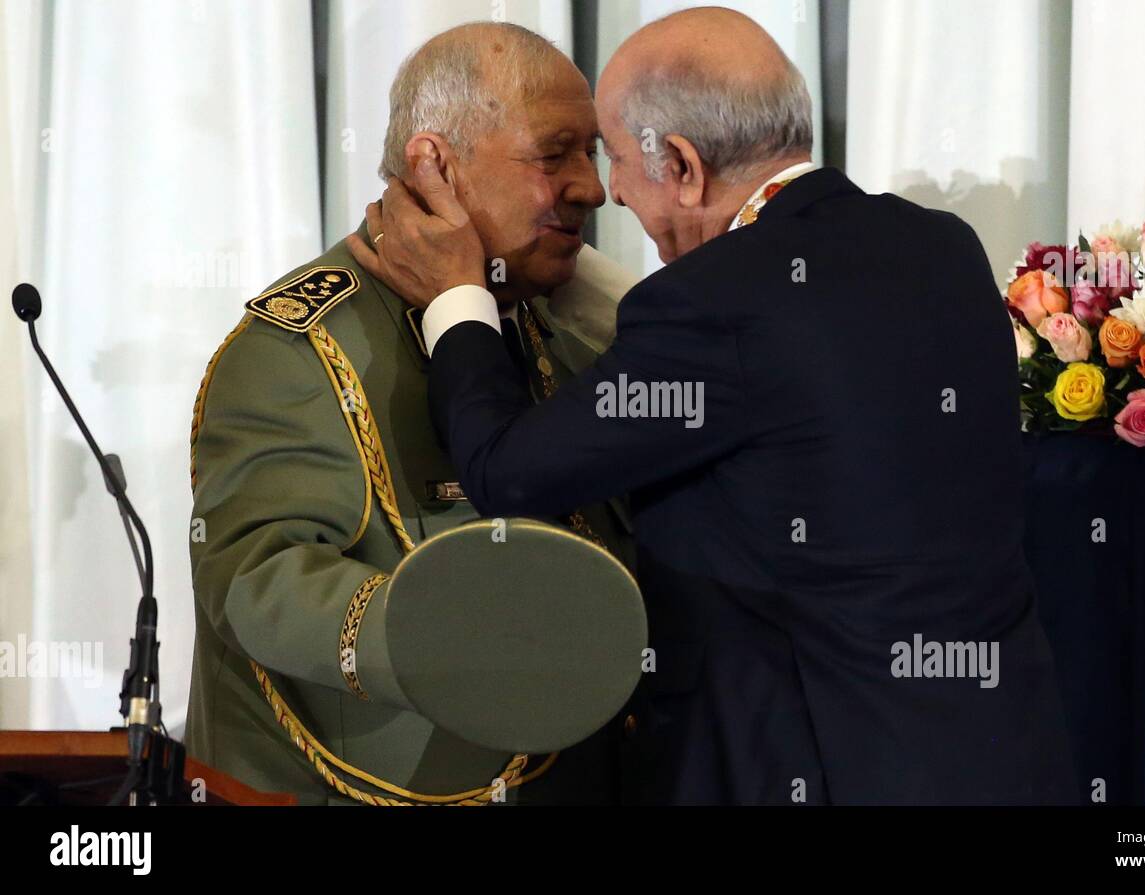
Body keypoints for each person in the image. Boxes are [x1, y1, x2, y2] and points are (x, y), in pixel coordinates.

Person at [350, 8, 1078, 805]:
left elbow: (507, 468)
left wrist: (458, 292)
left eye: (618, 161)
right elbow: (777, 379)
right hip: (1004, 750)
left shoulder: (718, 307)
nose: (608, 191)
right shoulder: (940, 245)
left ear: (686, 166)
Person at [187, 22, 636, 806]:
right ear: (435, 165)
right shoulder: (295, 348)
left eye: (592, 152)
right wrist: (462, 637)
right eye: (555, 152)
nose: (591, 186)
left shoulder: (560, 316)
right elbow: (255, 578)